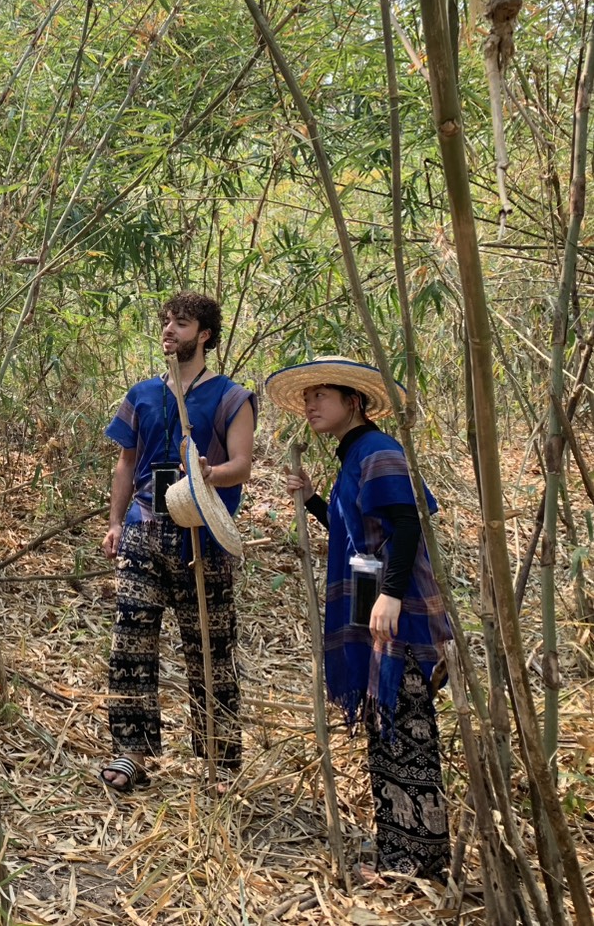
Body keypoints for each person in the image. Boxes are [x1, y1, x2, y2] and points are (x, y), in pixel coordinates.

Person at [265, 356, 451, 882]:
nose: (310, 405)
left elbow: (407, 524)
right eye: (308, 398)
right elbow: (355, 531)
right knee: (387, 728)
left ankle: (419, 861)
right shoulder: (354, 456)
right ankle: (398, 852)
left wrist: (390, 595)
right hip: (374, 611)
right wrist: (313, 500)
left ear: (353, 402)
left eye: (321, 396)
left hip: (400, 617)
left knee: (405, 726)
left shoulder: (378, 450)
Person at [101, 291, 256, 792]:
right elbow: (126, 462)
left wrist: (209, 473)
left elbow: (241, 466)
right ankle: (132, 752)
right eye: (167, 321)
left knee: (210, 647)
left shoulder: (231, 397)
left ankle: (220, 761)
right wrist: (116, 522)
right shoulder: (142, 394)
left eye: (182, 323)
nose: (169, 329)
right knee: (131, 642)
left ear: (204, 335)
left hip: (203, 533)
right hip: (144, 529)